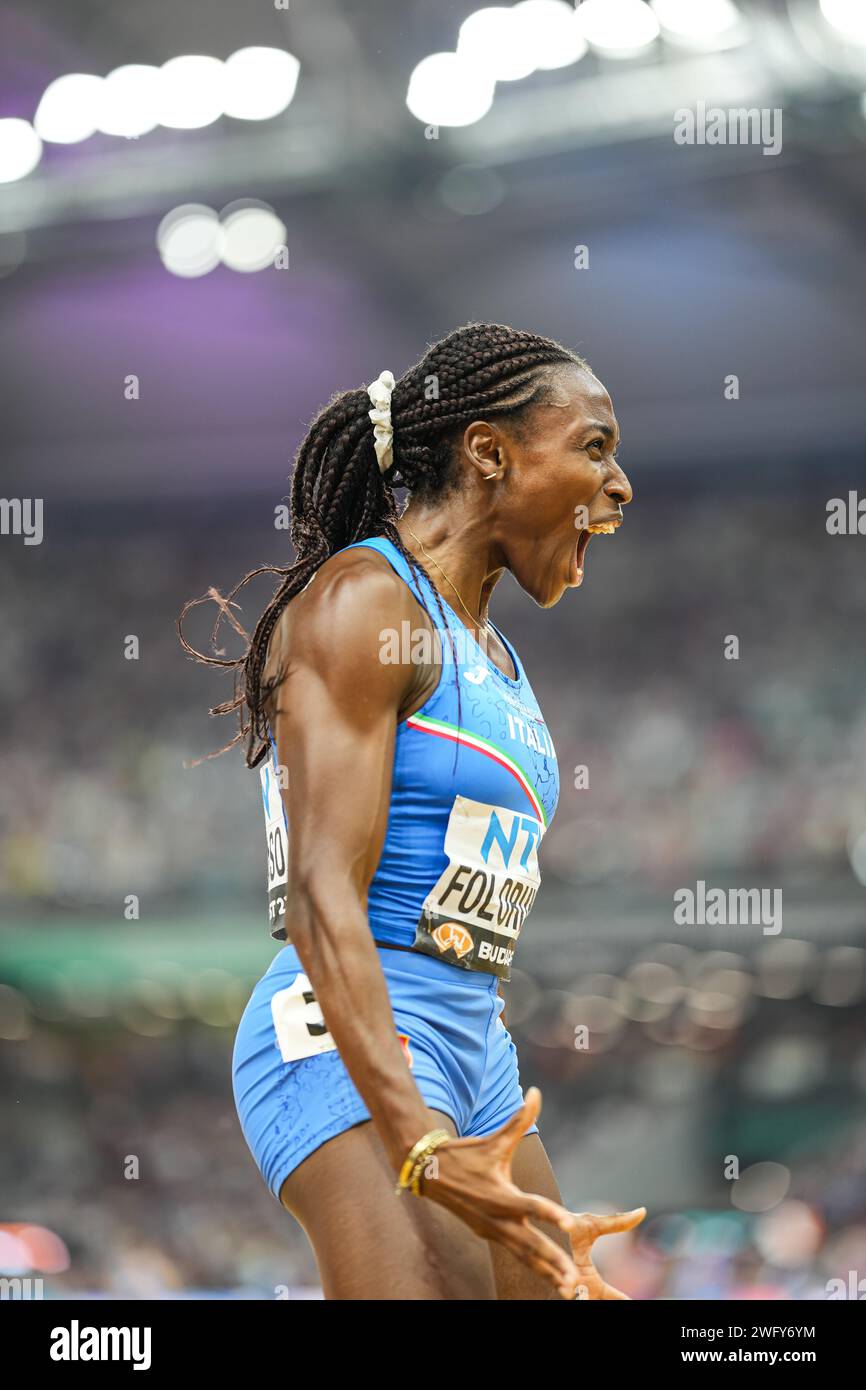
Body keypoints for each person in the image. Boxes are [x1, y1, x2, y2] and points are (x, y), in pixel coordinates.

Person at [181, 322, 644, 1299]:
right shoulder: (366, 603)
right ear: (488, 453)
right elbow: (317, 896)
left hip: (473, 1045)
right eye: (593, 448)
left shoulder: (501, 664)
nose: (619, 485)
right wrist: (421, 1144)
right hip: (349, 1042)